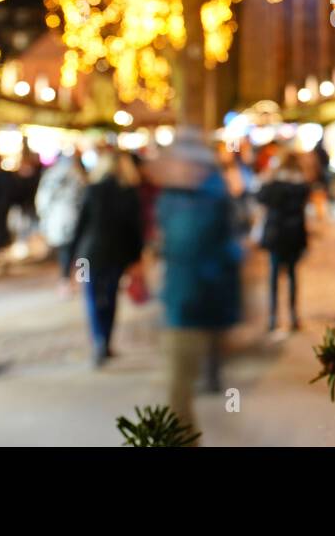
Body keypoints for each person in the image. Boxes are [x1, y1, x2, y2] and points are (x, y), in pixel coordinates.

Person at [155, 132, 241, 438]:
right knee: (178, 390)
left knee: (177, 390)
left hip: (192, 305)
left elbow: (210, 253)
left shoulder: (203, 203)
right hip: (184, 301)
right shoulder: (176, 199)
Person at [69, 150, 144, 366]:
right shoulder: (128, 193)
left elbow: (80, 226)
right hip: (116, 254)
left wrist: (69, 263)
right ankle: (106, 341)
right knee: (110, 296)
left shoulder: (91, 190)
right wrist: (136, 259)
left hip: (88, 254)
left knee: (92, 297)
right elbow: (134, 231)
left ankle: (98, 340)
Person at [255, 151, 310, 332]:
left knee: (274, 276)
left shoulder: (275, 185)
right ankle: (294, 315)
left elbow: (260, 197)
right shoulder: (301, 185)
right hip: (295, 234)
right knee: (293, 274)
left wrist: (268, 176)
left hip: (277, 234)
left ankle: (273, 317)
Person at [35, 152, 87, 284]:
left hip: (58, 219)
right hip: (77, 217)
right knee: (81, 250)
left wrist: (44, 218)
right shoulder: (78, 174)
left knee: (65, 251)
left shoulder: (50, 175)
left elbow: (42, 200)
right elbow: (85, 198)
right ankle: (83, 279)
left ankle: (65, 281)